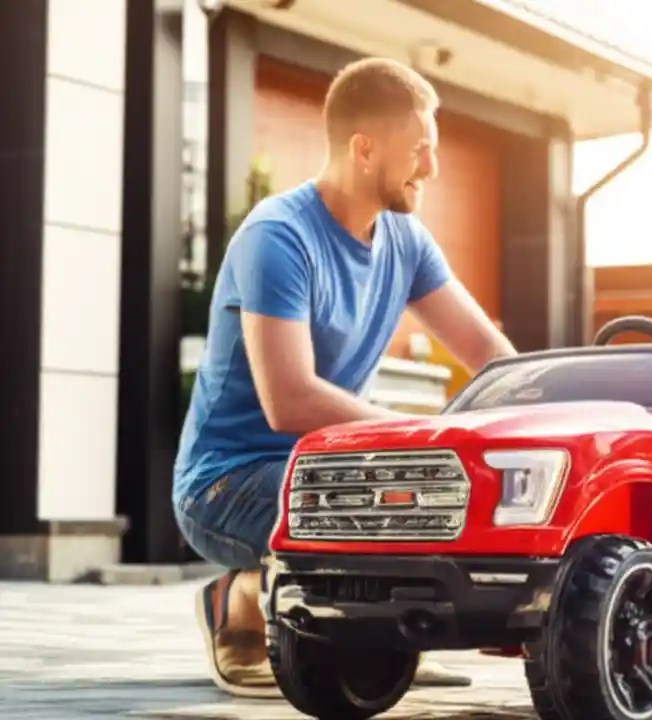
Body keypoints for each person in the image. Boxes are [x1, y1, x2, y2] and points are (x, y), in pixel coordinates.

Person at [172, 57, 518, 697]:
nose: (433, 170)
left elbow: (491, 357)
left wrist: (545, 408)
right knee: (379, 501)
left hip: (324, 470)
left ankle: (388, 638)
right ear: (364, 149)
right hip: (228, 482)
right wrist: (424, 437)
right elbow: (290, 400)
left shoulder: (405, 240)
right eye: (420, 151)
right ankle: (242, 601)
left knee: (424, 493)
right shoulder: (278, 236)